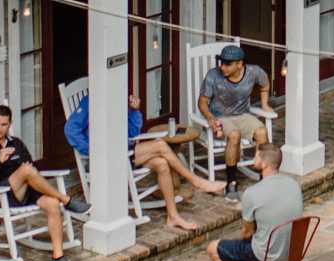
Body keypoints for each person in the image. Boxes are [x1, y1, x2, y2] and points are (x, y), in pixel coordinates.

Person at [63, 79, 228, 232]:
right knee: (160, 145)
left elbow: (133, 132)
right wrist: (95, 153)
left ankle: (173, 216)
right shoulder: (89, 102)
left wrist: (134, 111)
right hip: (109, 160)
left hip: (126, 154)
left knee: (162, 163)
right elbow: (70, 130)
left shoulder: (117, 102)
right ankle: (196, 181)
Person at [0, 105, 81, 261]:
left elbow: (32, 169)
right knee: (26, 170)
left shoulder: (17, 144)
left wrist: (26, 175)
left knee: (52, 204)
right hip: (2, 195)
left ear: (9, 124)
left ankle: (58, 257)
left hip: (26, 191)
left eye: (3, 124)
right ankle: (66, 199)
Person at [207, 142, 303, 261]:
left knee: (213, 248)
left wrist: (242, 239)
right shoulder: (294, 185)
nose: (253, 160)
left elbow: (247, 232)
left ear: (265, 163)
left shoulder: (252, 193)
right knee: (268, 233)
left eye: (256, 157)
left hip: (267, 253)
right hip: (292, 251)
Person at [196, 44, 276, 182]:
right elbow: (202, 102)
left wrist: (264, 104)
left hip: (243, 115)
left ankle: (264, 179)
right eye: (221, 62)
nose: (222, 67)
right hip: (220, 117)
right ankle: (231, 182)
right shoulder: (213, 75)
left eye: (227, 64)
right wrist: (210, 117)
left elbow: (265, 83)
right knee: (234, 134)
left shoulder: (253, 72)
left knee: (262, 132)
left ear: (239, 64)